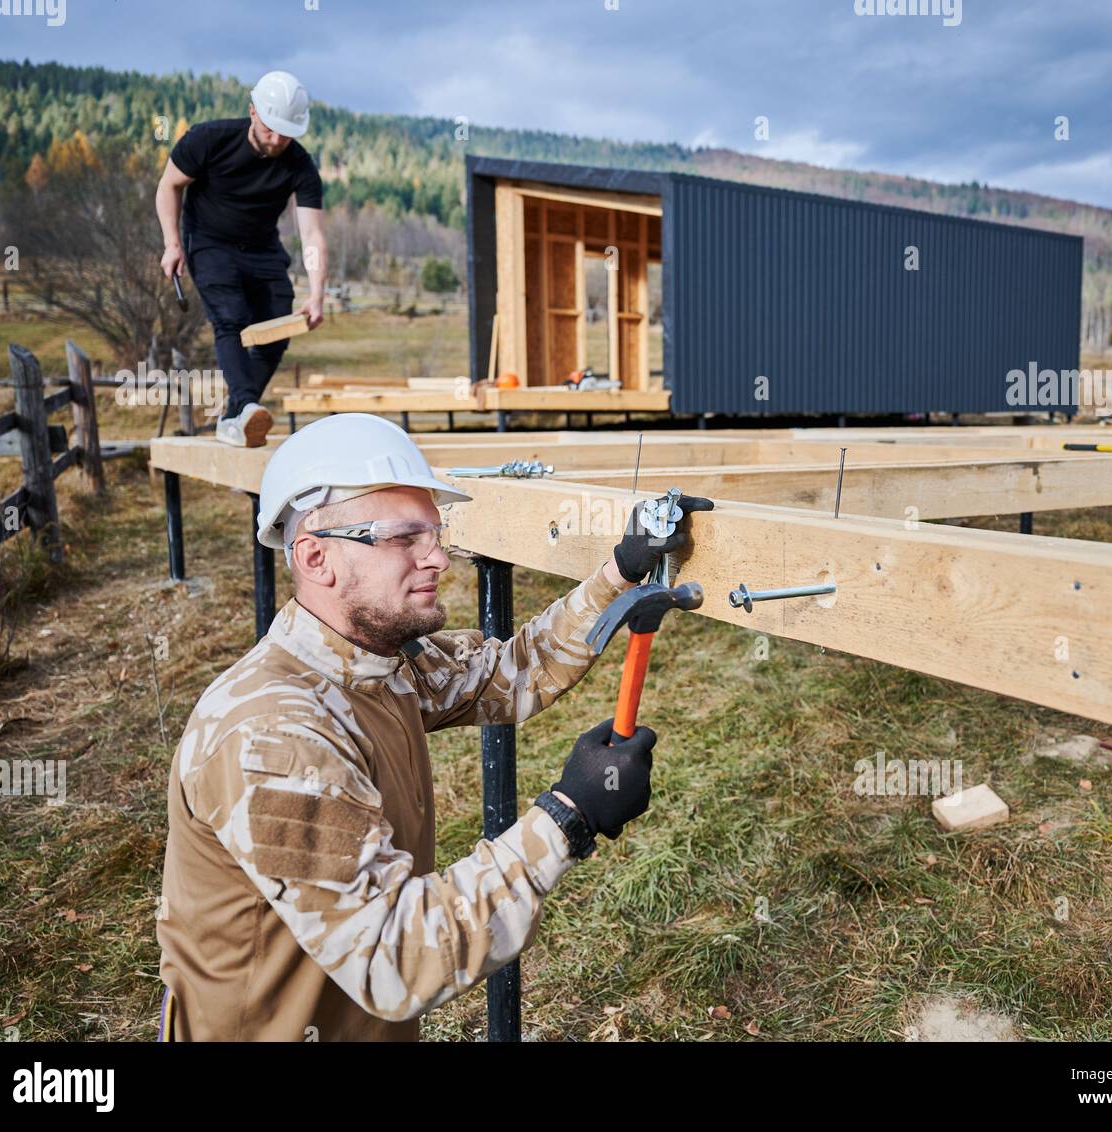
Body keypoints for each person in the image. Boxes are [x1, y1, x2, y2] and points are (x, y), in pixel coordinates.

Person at [156, 414, 714, 1040]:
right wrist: (568, 816)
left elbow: (511, 670)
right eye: (404, 538)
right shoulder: (273, 737)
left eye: (435, 533)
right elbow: (394, 957)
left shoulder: (373, 660)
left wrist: (619, 574)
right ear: (316, 557)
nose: (439, 558)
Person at [154, 70, 327, 447]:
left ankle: (235, 417)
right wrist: (172, 244)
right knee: (230, 317)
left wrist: (317, 293)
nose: (278, 139)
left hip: (262, 248)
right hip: (210, 242)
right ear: (252, 112)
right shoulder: (208, 139)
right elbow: (169, 185)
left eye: (287, 132)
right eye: (270, 129)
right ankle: (247, 406)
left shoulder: (299, 164)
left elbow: (312, 233)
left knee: (283, 324)